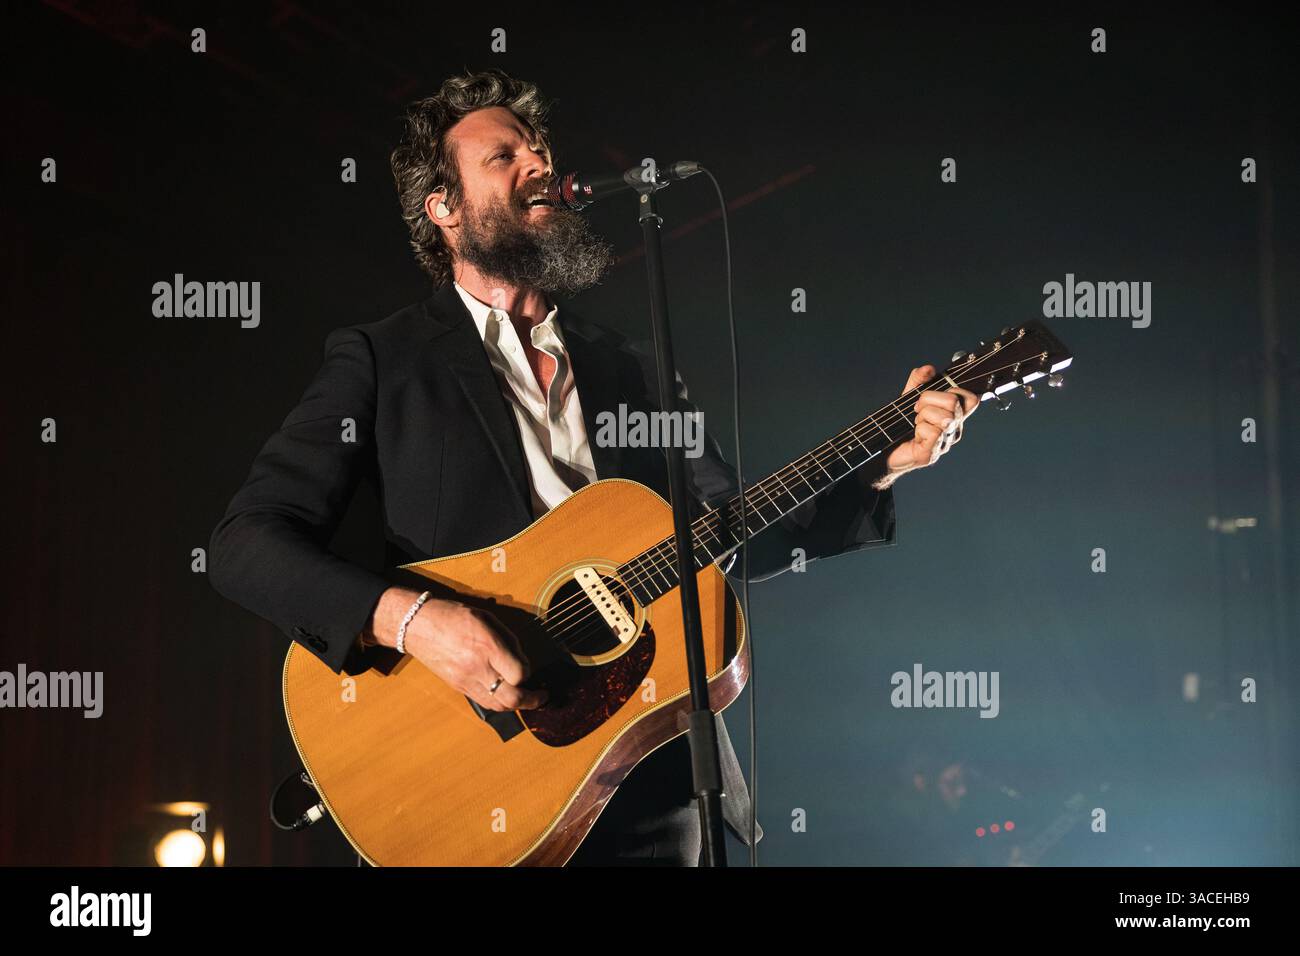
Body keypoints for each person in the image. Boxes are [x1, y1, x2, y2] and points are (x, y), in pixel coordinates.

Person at [208, 68, 977, 866]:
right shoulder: (384, 360)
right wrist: (417, 622)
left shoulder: (632, 370)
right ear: (443, 208)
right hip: (481, 777)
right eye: (502, 156)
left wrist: (882, 465)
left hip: (653, 777)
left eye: (538, 147)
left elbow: (729, 539)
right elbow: (245, 544)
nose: (537, 162)